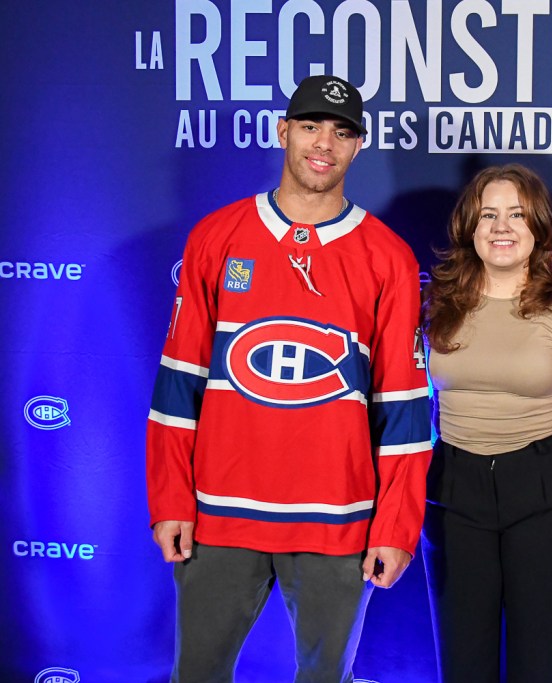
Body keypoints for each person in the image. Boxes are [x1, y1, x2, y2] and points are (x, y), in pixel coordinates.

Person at [146, 75, 431, 683]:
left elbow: (406, 408)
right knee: (196, 673)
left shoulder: (387, 257)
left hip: (338, 518)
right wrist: (171, 497)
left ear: (359, 146)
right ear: (283, 132)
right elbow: (178, 386)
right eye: (309, 126)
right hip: (221, 512)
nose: (324, 142)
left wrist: (397, 526)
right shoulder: (217, 237)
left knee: (325, 678)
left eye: (342, 131)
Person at [421, 164, 552, 683]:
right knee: (463, 657)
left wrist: (538, 464)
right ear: (470, 227)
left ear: (538, 227)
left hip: (542, 488)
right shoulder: (435, 306)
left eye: (517, 214)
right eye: (489, 214)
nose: (502, 227)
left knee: (541, 659)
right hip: (451, 488)